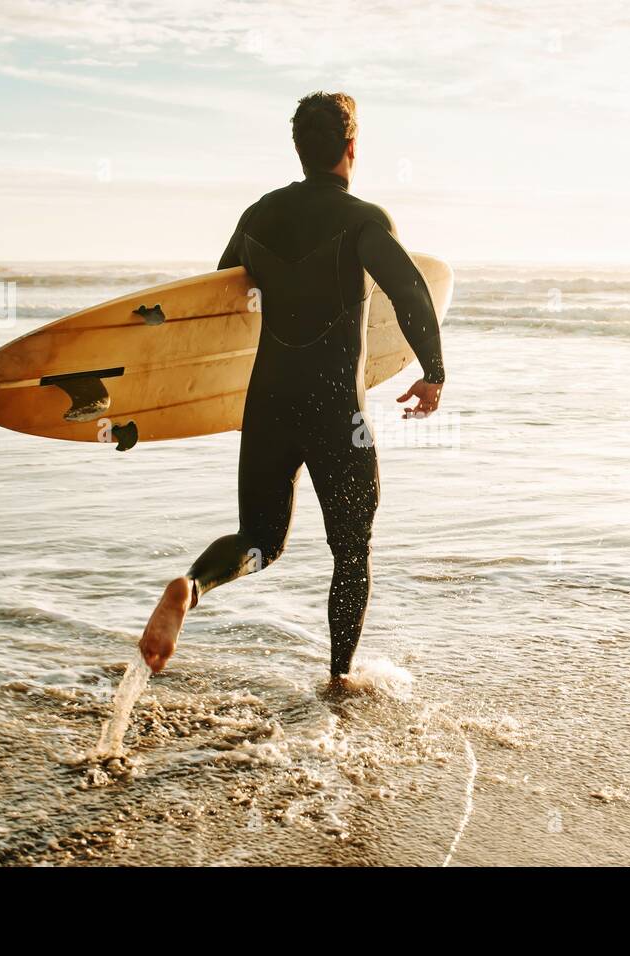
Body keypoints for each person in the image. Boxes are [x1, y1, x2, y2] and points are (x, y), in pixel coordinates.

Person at [138, 91, 446, 687]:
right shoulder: (363, 219)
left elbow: (220, 300)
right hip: (338, 411)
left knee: (259, 540)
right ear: (351, 148)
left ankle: (191, 586)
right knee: (351, 551)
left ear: (299, 150)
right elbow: (410, 292)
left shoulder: (258, 216)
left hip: (268, 405)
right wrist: (432, 372)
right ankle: (337, 682)